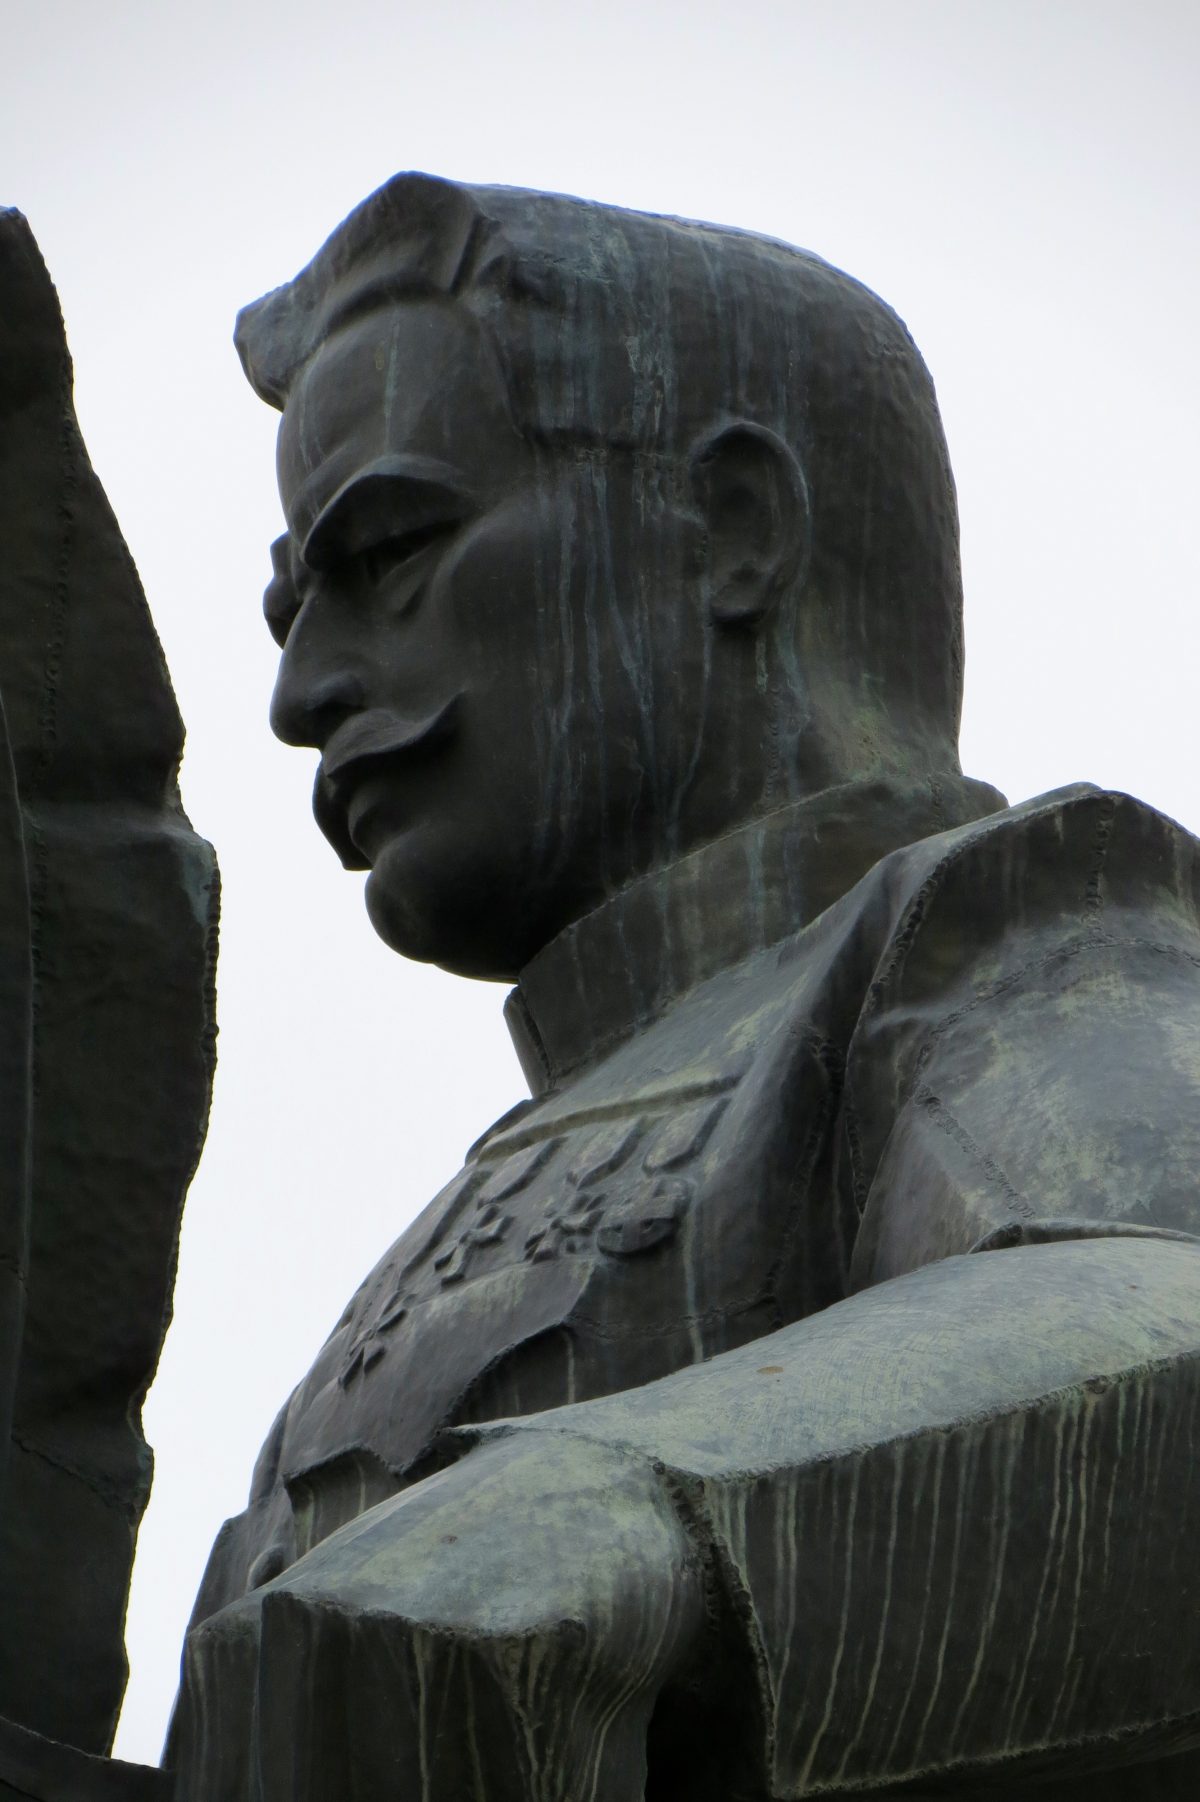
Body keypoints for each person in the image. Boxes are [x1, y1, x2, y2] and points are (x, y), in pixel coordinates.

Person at [170, 174, 1200, 1800]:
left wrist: (613, 1505)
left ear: (732, 530)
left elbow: (1162, 1311)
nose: (304, 694)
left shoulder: (993, 930)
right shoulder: (432, 1234)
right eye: (295, 607)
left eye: (391, 552)